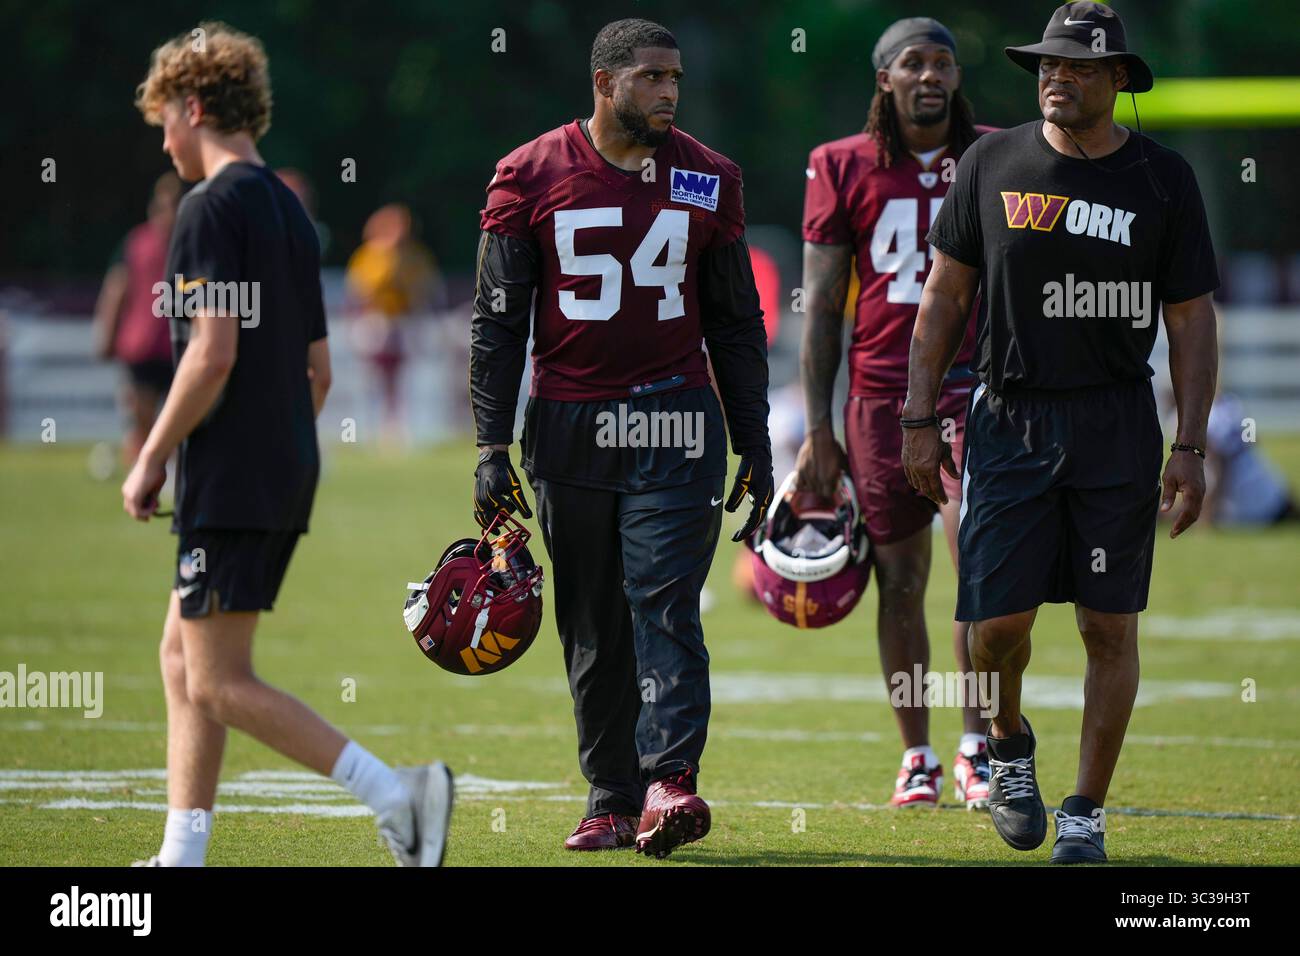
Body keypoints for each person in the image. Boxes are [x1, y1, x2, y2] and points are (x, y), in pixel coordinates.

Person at [125, 21, 452, 867]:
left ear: (195, 107)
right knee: (181, 657)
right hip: (281, 465)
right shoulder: (289, 212)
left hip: (232, 472)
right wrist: (274, 454)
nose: (164, 143)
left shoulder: (208, 207)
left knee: (218, 680)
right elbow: (320, 373)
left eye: (165, 120)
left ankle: (398, 794)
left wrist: (153, 454)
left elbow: (212, 349)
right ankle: (181, 856)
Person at [903, 2, 1220, 863]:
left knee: (1108, 626)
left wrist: (1189, 444)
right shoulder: (989, 161)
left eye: (1077, 66)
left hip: (1116, 425)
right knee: (995, 623)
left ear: (1119, 79)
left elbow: (1191, 321)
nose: (1055, 77)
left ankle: (1085, 809)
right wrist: (919, 416)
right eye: (1046, 64)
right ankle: (1009, 743)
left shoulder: (1163, 179)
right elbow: (944, 298)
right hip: (1007, 418)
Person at [469, 18, 772, 858]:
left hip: (678, 420)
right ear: (604, 83)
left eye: (675, 76)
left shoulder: (709, 178)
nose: (669, 92)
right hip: (571, 422)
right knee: (593, 619)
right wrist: (492, 445)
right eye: (650, 78)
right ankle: (610, 796)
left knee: (663, 601)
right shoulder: (529, 174)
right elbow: (498, 323)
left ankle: (670, 778)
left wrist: (758, 439)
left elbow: (736, 321)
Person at [797, 17, 995, 809]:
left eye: (943, 63)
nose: (931, 76)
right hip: (880, 396)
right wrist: (817, 427)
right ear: (885, 78)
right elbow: (818, 310)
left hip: (980, 387)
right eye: (913, 63)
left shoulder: (994, 156)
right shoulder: (839, 164)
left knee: (981, 568)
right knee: (900, 581)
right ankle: (918, 754)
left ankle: (980, 742)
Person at [92, 171, 182, 467]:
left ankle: (170, 479)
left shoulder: (192, 244)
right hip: (142, 347)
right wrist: (107, 334)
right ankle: (144, 478)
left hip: (180, 348)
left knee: (179, 421)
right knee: (141, 421)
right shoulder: (137, 242)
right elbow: (117, 288)